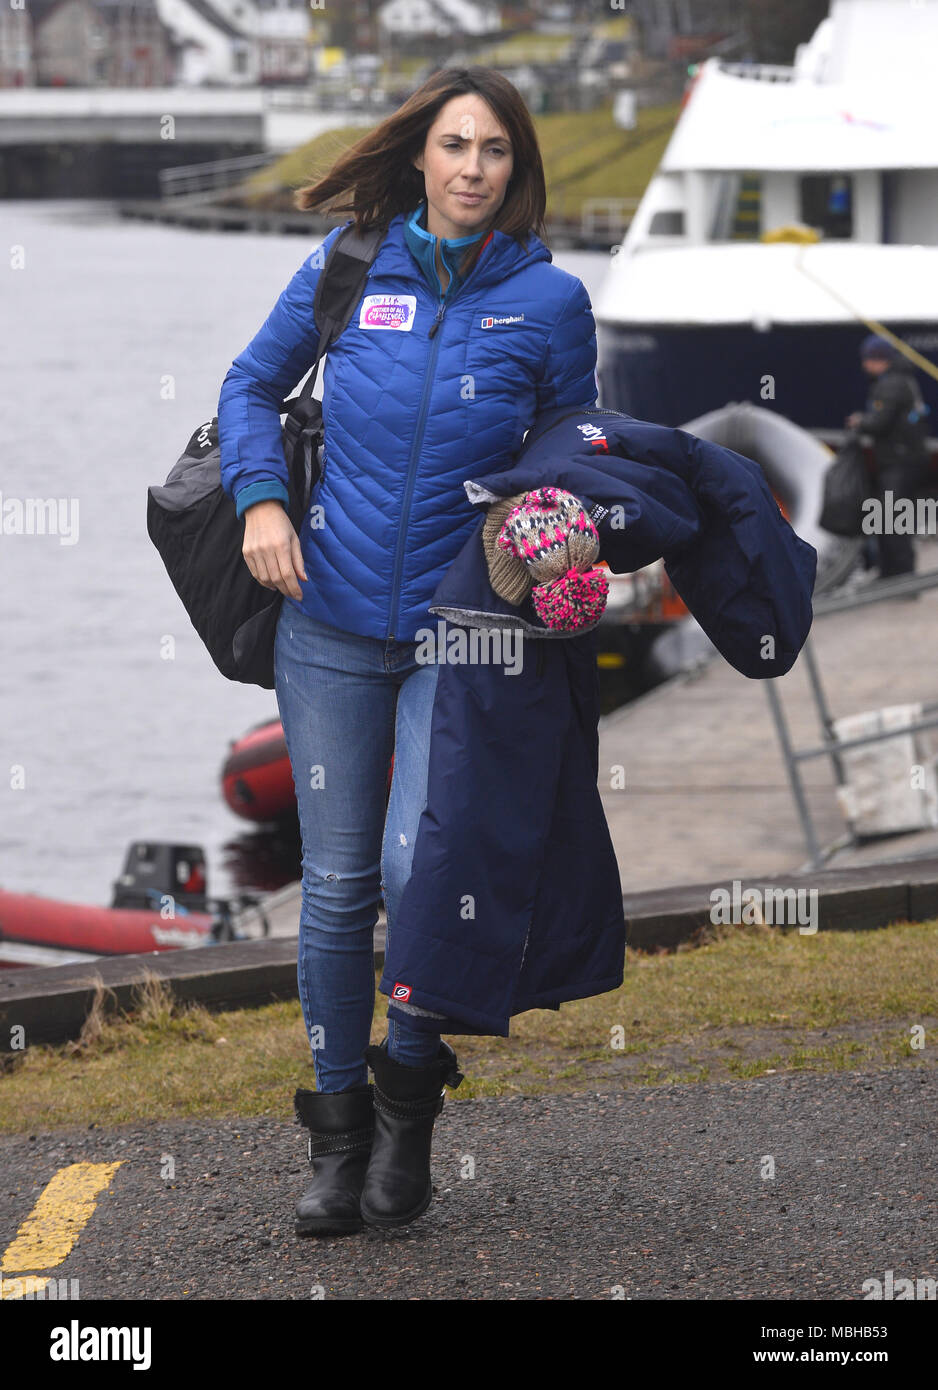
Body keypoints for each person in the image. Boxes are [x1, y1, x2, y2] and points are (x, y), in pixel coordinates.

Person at [217, 67, 598, 1237]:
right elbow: (247, 386)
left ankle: (408, 1113)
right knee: (333, 889)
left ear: (514, 168)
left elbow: (579, 450)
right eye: (453, 144)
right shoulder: (349, 264)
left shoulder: (549, 303)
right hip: (326, 624)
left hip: (462, 633)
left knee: (417, 876)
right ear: (421, 157)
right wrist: (261, 500)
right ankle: (336, 1140)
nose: (472, 167)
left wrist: (568, 526)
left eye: (492, 149)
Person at [846, 333, 931, 580]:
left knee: (893, 519)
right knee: (889, 517)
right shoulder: (904, 379)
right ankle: (892, 573)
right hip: (906, 461)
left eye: (868, 360)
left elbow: (881, 422)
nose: (865, 365)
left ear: (881, 360)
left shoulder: (891, 384)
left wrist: (860, 422)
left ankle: (901, 576)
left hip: (899, 463)